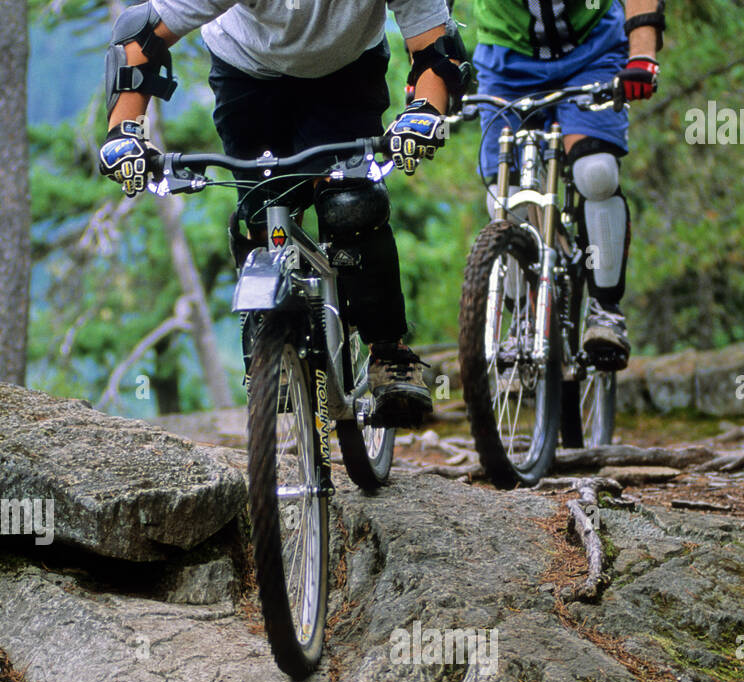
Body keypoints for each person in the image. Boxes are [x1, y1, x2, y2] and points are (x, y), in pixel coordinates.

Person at [98, 1, 471, 424]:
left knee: (353, 207)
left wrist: (425, 112)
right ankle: (268, 331)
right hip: (247, 73)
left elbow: (435, 46)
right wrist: (124, 133)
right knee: (259, 209)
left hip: (346, 71)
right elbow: (143, 31)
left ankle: (388, 350)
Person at [473, 0, 666, 369]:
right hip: (505, 57)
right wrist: (434, 66)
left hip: (592, 50)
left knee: (596, 172)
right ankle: (524, 318)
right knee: (505, 199)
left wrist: (642, 55)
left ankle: (605, 309)